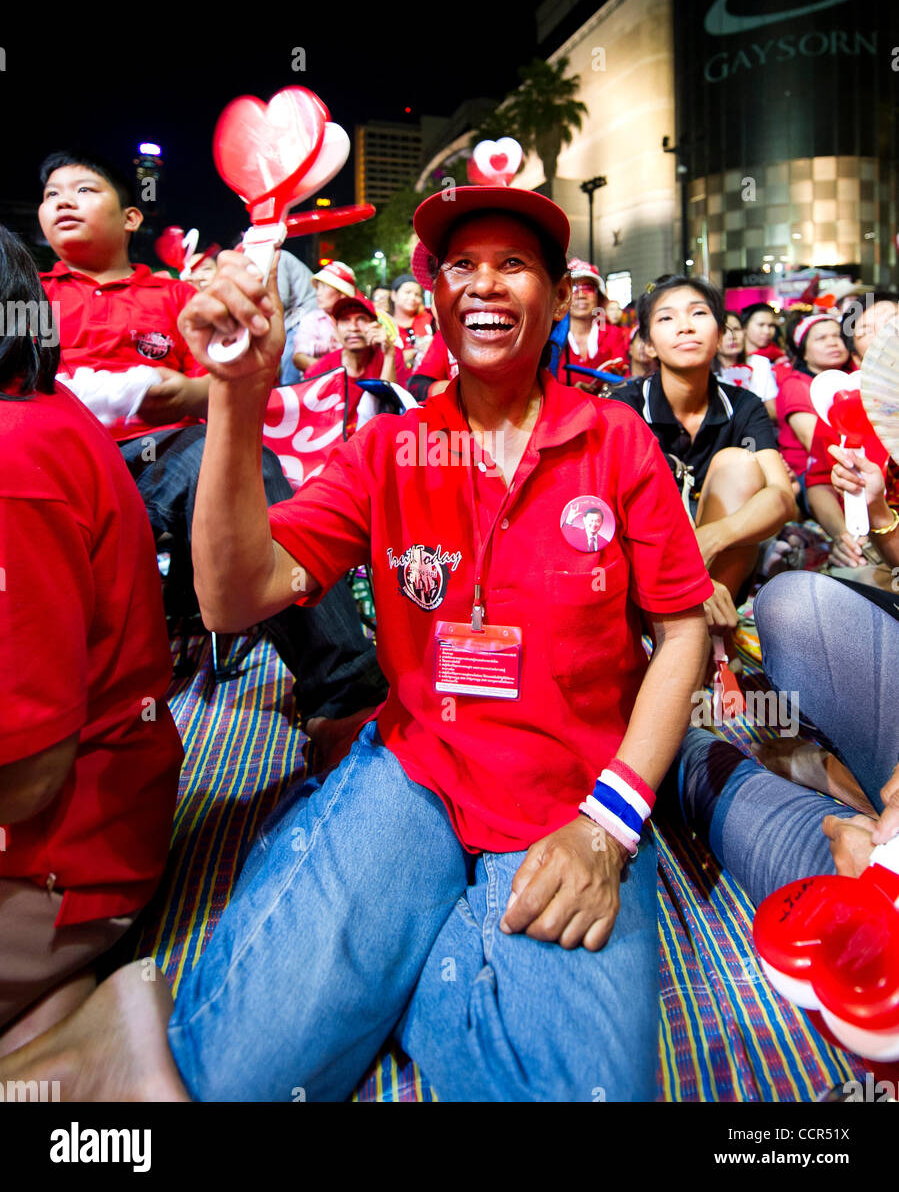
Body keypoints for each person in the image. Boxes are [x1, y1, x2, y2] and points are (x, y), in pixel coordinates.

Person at [2, 183, 714, 1103]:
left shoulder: (616, 440)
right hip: (416, 770)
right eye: (461, 266)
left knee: (581, 1093)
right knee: (230, 1081)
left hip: (568, 795)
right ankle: (388, 939)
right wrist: (236, 397)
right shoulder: (387, 448)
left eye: (513, 264)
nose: (485, 284)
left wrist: (610, 827)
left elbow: (683, 626)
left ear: (552, 296)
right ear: (434, 297)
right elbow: (233, 598)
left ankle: (405, 961)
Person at [36, 150, 387, 733]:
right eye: (51, 194)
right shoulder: (29, 295)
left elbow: (236, 385)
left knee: (240, 462)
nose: (63, 201)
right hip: (54, 461)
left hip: (160, 457)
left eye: (83, 189)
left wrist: (188, 391)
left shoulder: (176, 300)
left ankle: (344, 696)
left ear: (130, 218)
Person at [0, 225, 183, 1056]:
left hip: (58, 856)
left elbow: (27, 778)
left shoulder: (13, 462)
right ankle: (53, 1040)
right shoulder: (35, 405)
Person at [676, 440, 899, 914]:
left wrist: (703, 546)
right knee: (791, 607)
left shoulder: (741, 407)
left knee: (696, 770)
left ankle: (686, 751)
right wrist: (877, 507)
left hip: (879, 898)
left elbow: (782, 497)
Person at [615, 276, 795, 639]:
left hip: (720, 567)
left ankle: (708, 636)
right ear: (648, 344)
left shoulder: (743, 405)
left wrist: (710, 537)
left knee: (739, 465)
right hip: (649, 558)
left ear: (720, 333)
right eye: (666, 318)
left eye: (699, 313)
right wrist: (688, 558)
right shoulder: (624, 405)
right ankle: (685, 635)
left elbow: (782, 498)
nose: (685, 326)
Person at [805, 297, 899, 567]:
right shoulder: (845, 407)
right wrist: (844, 536)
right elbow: (819, 483)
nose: (884, 333)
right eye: (867, 330)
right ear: (857, 358)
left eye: (892, 320)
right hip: (873, 542)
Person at [304, 293, 410, 428]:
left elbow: (391, 412)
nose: (353, 327)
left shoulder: (391, 355)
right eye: (344, 320)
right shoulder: (319, 370)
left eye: (361, 319)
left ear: (375, 326)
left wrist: (389, 355)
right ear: (335, 330)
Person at [774, 313, 850, 491]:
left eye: (838, 336)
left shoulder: (853, 378)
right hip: (809, 472)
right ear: (804, 353)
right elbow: (816, 444)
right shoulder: (796, 385)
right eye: (821, 338)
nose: (833, 342)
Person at [557, 261, 629, 388]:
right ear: (562, 296)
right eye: (573, 288)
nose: (580, 295)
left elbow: (625, 382)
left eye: (588, 288)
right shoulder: (551, 338)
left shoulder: (614, 335)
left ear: (599, 297)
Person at [290, 261, 357, 376]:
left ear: (342, 293)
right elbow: (298, 358)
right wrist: (333, 373)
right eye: (318, 287)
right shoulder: (312, 320)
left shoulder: (357, 320)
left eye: (324, 287)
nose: (318, 293)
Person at [715, 311, 778, 420]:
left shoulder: (760, 364)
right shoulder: (704, 371)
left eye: (736, 329)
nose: (732, 336)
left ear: (744, 332)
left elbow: (772, 412)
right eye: (724, 331)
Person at [276, 247, 317, 385]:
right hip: (300, 315)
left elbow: (280, 300)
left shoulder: (277, 258)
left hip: (302, 316)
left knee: (290, 372)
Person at [390, 271, 434, 372]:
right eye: (408, 292)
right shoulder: (385, 325)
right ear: (394, 295)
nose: (412, 298)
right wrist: (416, 350)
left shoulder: (430, 319)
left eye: (417, 294)